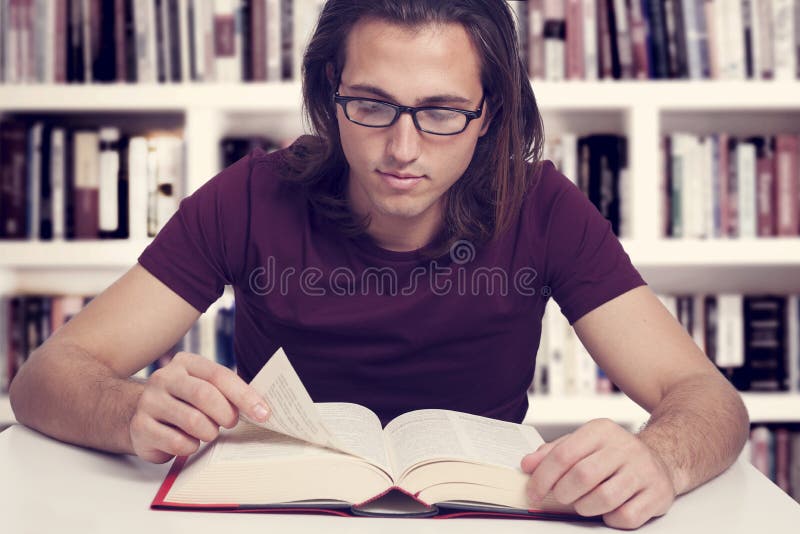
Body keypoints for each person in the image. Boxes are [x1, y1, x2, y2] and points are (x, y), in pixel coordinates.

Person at [10, 0, 748, 529]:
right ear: (330, 95)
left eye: (441, 112)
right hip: (273, 517)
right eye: (370, 104)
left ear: (490, 112)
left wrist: (660, 460)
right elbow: (46, 375)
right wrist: (131, 410)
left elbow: (705, 397)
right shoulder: (250, 194)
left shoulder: (544, 205)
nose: (402, 149)